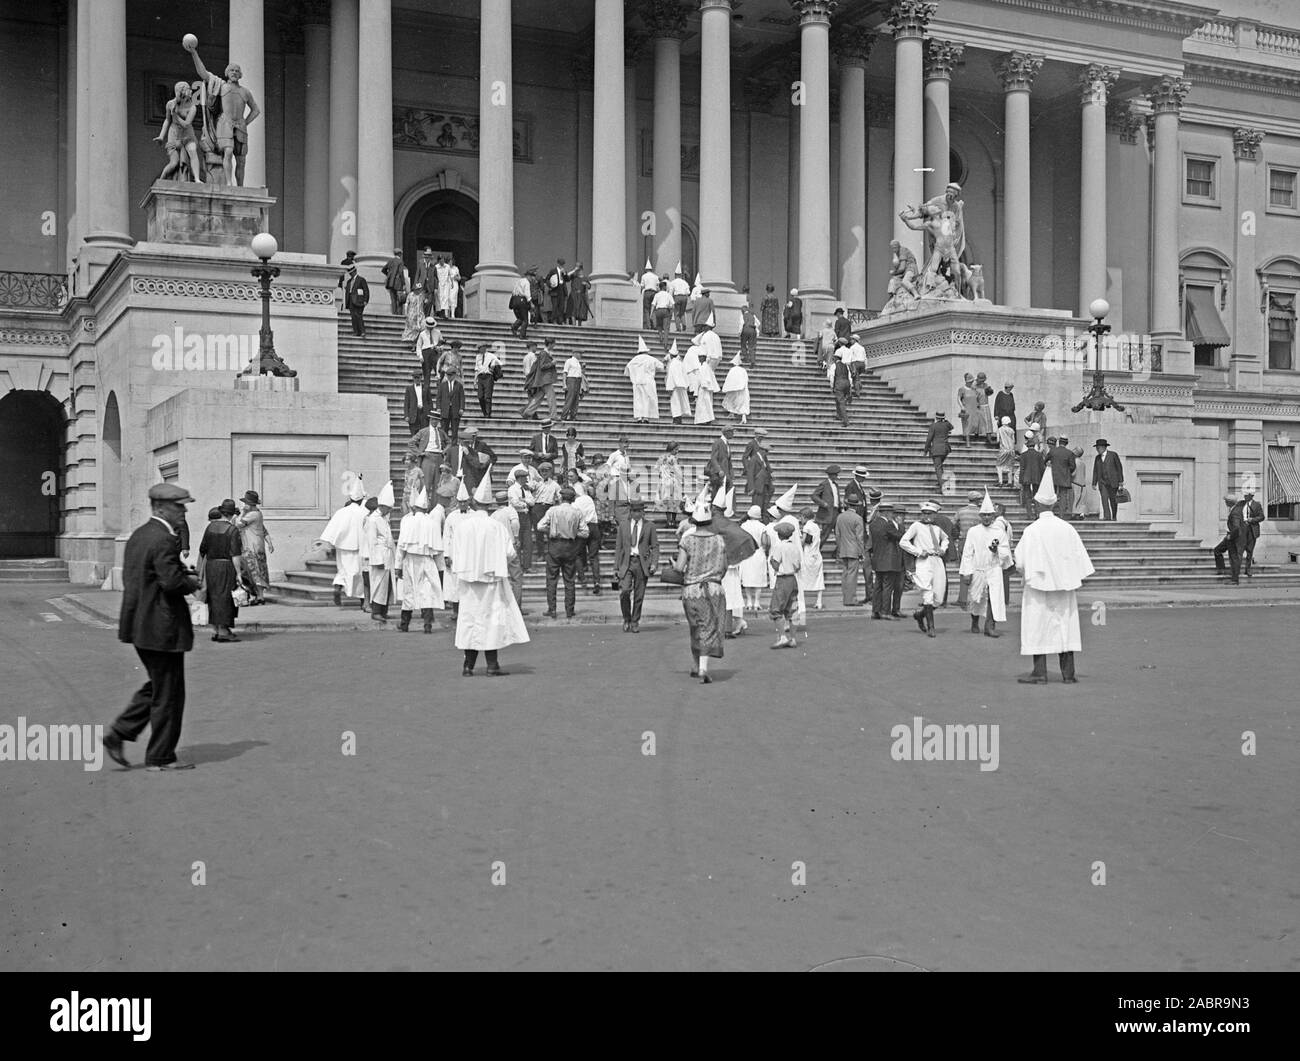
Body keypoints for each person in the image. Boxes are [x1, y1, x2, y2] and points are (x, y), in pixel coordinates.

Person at [102, 483, 203, 771]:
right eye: (178, 506)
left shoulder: (140, 535)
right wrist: (191, 582)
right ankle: (161, 756)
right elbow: (170, 582)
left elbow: (151, 576)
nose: (183, 511)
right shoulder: (163, 539)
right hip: (161, 626)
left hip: (140, 624)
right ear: (159, 507)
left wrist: (179, 573)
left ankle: (119, 733)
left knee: (159, 686)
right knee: (169, 694)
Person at [1015, 477, 1095, 684]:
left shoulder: (1032, 530)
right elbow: (1081, 559)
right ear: (1054, 504)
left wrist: (1026, 573)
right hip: (1064, 587)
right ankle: (1068, 675)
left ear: (1037, 504)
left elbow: (1020, 561)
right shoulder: (1067, 529)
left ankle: (1040, 673)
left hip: (1038, 587)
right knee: (1065, 626)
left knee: (1037, 625)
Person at [450, 477, 529, 676]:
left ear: (474, 504)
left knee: (470, 621)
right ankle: (492, 665)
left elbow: (454, 552)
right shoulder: (496, 526)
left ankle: (468, 665)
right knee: (491, 621)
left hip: (469, 581)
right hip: (491, 580)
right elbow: (510, 553)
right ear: (489, 505)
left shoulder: (463, 527)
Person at [186, 38, 260, 187]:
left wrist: (245, 122)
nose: (234, 72)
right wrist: (194, 53)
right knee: (227, 151)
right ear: (227, 73)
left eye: (237, 71)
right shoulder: (221, 85)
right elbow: (203, 73)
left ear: (240, 75)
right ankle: (228, 183)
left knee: (241, 159)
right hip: (225, 123)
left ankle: (240, 186)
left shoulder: (245, 92)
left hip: (240, 126)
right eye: (232, 70)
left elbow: (256, 110)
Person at [672, 498, 729, 682]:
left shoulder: (687, 540)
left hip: (691, 591)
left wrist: (674, 564)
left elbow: (680, 568)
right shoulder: (719, 541)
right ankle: (703, 668)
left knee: (695, 628)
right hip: (713, 589)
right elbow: (725, 566)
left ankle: (697, 665)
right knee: (708, 627)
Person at [959, 492, 1010, 638]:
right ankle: (975, 621)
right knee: (977, 597)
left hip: (993, 568)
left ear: (993, 516)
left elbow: (1005, 551)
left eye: (989, 515)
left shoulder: (999, 531)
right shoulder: (973, 531)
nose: (987, 518)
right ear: (980, 516)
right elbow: (968, 552)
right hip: (978, 568)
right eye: (984, 515)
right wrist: (967, 572)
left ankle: (990, 626)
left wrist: (997, 550)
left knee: (994, 597)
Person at [537, 484, 589, 619]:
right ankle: (569, 610)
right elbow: (585, 532)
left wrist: (552, 530)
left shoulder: (553, 510)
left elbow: (540, 526)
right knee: (569, 580)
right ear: (572, 499)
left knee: (551, 579)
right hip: (570, 547)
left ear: (561, 498)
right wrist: (572, 532)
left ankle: (552, 609)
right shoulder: (577, 512)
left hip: (554, 545)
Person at [318, 474, 368, 608]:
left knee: (343, 570)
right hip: (358, 547)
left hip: (343, 547)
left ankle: (338, 586)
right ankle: (363, 601)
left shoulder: (342, 511)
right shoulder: (364, 513)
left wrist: (334, 544)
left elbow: (334, 529)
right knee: (358, 573)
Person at [900, 501, 949, 636]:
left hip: (937, 561)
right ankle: (931, 627)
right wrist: (918, 551)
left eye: (930, 514)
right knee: (927, 593)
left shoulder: (937, 529)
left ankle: (920, 615)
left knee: (938, 598)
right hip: (923, 561)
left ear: (935, 515)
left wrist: (943, 549)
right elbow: (903, 542)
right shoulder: (916, 526)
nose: (927, 516)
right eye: (924, 513)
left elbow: (946, 539)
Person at [199, 499, 245, 641]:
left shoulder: (210, 528)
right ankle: (224, 631)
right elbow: (235, 555)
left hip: (211, 565)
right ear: (231, 514)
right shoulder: (232, 530)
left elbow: (202, 549)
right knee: (225, 598)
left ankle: (216, 629)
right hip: (226, 566)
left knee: (213, 597)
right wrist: (239, 573)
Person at [614, 499, 659, 633]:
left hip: (641, 563)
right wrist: (616, 567)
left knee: (639, 595)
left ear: (643, 512)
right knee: (625, 591)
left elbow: (655, 546)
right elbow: (619, 547)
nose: (636, 514)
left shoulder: (649, 526)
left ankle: (635, 621)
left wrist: (654, 563)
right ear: (630, 512)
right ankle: (626, 618)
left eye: (639, 511)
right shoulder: (623, 525)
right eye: (634, 511)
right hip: (626, 562)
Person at [154, 80, 204, 184]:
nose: (190, 91)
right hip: (174, 134)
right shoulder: (170, 104)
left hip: (187, 134)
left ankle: (197, 178)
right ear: (181, 92)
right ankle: (160, 181)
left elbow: (186, 124)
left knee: (193, 152)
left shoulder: (192, 107)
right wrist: (161, 136)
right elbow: (167, 120)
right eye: (187, 89)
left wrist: (175, 116)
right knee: (174, 164)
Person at [766, 522, 802, 648]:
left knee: (776, 609)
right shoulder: (795, 547)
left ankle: (782, 636)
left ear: (779, 535)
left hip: (783, 579)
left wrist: (771, 562)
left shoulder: (779, 547)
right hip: (793, 579)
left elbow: (775, 563)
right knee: (792, 608)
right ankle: (792, 638)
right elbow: (798, 566)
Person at [362, 489, 395, 622]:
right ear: (382, 507)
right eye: (388, 508)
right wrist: (377, 559)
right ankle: (376, 611)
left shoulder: (382, 519)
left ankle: (383, 610)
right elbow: (372, 542)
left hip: (387, 555)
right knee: (379, 585)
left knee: (388, 585)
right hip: (379, 556)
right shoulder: (372, 520)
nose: (389, 511)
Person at [234, 490, 271, 604]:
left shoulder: (252, 514)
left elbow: (238, 525)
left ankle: (259, 596)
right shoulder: (258, 513)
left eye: (245, 503)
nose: (244, 506)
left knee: (254, 570)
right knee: (257, 569)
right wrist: (270, 543)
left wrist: (238, 515)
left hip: (252, 546)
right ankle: (258, 595)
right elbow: (263, 530)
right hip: (256, 545)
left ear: (249, 504)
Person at [491, 489, 525, 610]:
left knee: (501, 576)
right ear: (507, 501)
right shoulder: (511, 510)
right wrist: (516, 537)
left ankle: (502, 606)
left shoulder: (494, 515)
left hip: (498, 548)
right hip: (510, 545)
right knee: (516, 577)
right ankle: (516, 606)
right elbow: (515, 524)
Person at [868, 502, 903, 619]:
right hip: (889, 560)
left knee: (878, 586)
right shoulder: (888, 525)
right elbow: (899, 536)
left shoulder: (873, 524)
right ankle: (885, 611)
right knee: (887, 586)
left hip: (877, 559)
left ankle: (875, 611)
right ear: (887, 513)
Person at [572, 473, 602, 595]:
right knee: (594, 556)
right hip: (594, 527)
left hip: (583, 527)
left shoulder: (575, 503)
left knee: (577, 554)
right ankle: (596, 581)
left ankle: (583, 578)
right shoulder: (589, 499)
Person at [445, 425, 496, 494]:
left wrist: (469, 455)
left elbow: (479, 463)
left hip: (471, 477)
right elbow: (447, 463)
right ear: (460, 440)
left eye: (469, 441)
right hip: (455, 476)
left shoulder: (476, 449)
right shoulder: (452, 450)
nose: (468, 443)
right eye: (466, 442)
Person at [834, 500, 866, 607]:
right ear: (856, 506)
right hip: (854, 550)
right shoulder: (858, 518)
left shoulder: (840, 517)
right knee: (852, 575)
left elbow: (837, 535)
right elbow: (859, 537)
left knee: (845, 574)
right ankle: (851, 599)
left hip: (844, 548)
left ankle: (846, 597)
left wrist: (839, 548)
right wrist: (861, 552)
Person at [739, 505, 770, 612]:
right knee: (758, 578)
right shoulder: (762, 526)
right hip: (758, 552)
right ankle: (756, 602)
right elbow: (764, 541)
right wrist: (765, 550)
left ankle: (748, 602)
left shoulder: (743, 525)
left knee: (747, 578)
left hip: (747, 552)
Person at [521, 338, 558, 420]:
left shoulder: (544, 353)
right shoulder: (544, 353)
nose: (554, 345)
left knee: (538, 398)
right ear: (550, 344)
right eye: (554, 344)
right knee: (551, 398)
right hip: (545, 380)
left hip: (543, 380)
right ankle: (553, 415)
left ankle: (527, 412)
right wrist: (552, 363)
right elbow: (542, 366)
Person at [625, 335, 660, 422]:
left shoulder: (634, 360)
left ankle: (639, 417)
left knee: (638, 399)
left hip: (637, 382)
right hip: (648, 381)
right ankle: (646, 417)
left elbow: (627, 371)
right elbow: (661, 366)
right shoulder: (651, 359)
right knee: (647, 399)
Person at [507, 467, 536, 572]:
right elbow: (515, 503)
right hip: (516, 516)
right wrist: (525, 503)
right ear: (519, 478)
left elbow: (532, 502)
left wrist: (523, 500)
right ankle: (518, 566)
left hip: (526, 516)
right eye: (524, 477)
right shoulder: (512, 489)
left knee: (528, 542)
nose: (526, 480)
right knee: (517, 541)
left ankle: (527, 566)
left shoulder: (526, 489)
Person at [691, 329, 722, 425]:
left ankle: (704, 420)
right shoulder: (707, 368)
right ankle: (706, 419)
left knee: (703, 405)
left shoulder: (702, 368)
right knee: (706, 405)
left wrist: (696, 391)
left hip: (703, 388)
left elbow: (699, 380)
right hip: (707, 389)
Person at [1213, 494, 1243, 584]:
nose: (1225, 503)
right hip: (1230, 536)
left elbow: (1236, 527)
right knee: (1217, 550)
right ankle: (1221, 569)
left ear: (1230, 502)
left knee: (1233, 558)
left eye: (1226, 501)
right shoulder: (1234, 509)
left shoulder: (1235, 512)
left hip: (1233, 537)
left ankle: (1235, 579)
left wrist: (1231, 536)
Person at [1092, 438, 1125, 521]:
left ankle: (1114, 516)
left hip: (1113, 482)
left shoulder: (1113, 455)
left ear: (1104, 447)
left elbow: (1119, 468)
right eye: (1097, 448)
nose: (1097, 449)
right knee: (1104, 499)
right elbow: (1095, 470)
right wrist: (1094, 483)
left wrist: (1121, 481)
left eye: (1098, 448)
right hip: (1102, 483)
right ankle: (1107, 516)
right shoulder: (1097, 458)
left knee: (1113, 500)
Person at [743, 429, 773, 516]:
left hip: (763, 477)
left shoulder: (761, 448)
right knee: (756, 504)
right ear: (756, 435)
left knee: (765, 500)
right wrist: (747, 468)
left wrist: (770, 472)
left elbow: (766, 462)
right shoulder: (751, 444)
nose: (761, 438)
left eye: (762, 437)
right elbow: (744, 457)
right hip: (756, 473)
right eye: (760, 437)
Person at [811, 464, 842, 547]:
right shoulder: (824, 484)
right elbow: (814, 496)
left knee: (840, 534)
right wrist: (823, 503)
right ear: (831, 475)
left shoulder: (836, 485)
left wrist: (840, 505)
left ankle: (838, 553)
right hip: (828, 513)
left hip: (836, 512)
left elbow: (836, 498)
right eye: (835, 474)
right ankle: (816, 550)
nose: (836, 476)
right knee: (825, 534)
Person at [655, 442, 683, 528]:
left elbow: (656, 467)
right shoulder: (674, 458)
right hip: (674, 482)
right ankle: (673, 521)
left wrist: (662, 474)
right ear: (671, 449)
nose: (677, 451)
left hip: (664, 482)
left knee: (666, 501)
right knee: (675, 501)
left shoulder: (662, 457)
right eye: (676, 449)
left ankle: (668, 521)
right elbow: (678, 471)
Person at [663, 340, 692, 423]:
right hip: (682, 385)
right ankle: (679, 418)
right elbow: (685, 374)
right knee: (681, 401)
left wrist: (669, 387)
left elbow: (671, 376)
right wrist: (687, 384)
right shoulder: (681, 363)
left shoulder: (672, 364)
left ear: (671, 356)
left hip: (675, 386)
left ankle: (676, 418)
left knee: (675, 402)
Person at [340, 257, 370, 337]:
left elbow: (366, 290)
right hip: (351, 301)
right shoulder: (349, 281)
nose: (350, 274)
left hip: (359, 301)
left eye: (351, 273)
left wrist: (365, 300)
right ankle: (356, 331)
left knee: (359, 316)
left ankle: (362, 331)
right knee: (353, 317)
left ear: (355, 272)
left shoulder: (361, 279)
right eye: (350, 273)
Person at [1047, 436, 1077, 517]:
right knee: (1063, 496)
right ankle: (1061, 515)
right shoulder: (1069, 453)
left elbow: (1045, 461)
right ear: (1066, 443)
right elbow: (1073, 466)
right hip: (1064, 476)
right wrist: (1067, 471)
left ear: (1059, 442)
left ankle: (1050, 512)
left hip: (1053, 476)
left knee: (1052, 494)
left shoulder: (1053, 451)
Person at [923, 411, 953, 489]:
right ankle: (940, 481)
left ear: (936, 418)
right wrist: (945, 420)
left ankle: (942, 486)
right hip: (945, 449)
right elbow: (951, 427)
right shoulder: (946, 425)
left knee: (938, 468)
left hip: (936, 450)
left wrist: (926, 450)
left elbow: (929, 439)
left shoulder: (933, 426)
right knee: (940, 466)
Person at [437, 364, 466, 442]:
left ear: (454, 375)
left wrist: (462, 408)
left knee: (454, 430)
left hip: (455, 410)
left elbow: (462, 397)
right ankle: (443, 445)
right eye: (447, 375)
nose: (449, 377)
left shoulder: (459, 385)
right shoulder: (442, 385)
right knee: (444, 430)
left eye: (450, 375)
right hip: (444, 410)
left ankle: (453, 446)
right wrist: (438, 408)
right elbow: (439, 397)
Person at [1019, 429, 1045, 512]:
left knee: (1028, 496)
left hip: (1026, 477)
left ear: (1027, 446)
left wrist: (1021, 479)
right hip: (1037, 477)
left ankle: (1029, 513)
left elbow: (1022, 468)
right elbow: (1042, 468)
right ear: (1034, 446)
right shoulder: (1039, 455)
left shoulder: (1023, 455)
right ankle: (1037, 512)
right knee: (1036, 495)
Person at [705, 426, 736, 497]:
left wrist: (731, 474)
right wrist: (719, 470)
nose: (733, 434)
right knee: (717, 494)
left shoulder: (727, 443)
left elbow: (728, 460)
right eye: (732, 432)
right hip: (719, 474)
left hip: (726, 473)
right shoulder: (718, 443)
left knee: (728, 493)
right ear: (726, 433)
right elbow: (713, 458)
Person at [721, 353, 751, 423]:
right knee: (742, 402)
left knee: (731, 400)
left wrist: (728, 387)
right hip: (742, 388)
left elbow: (729, 379)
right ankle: (743, 417)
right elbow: (746, 379)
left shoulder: (732, 370)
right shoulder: (743, 370)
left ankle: (732, 413)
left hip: (733, 388)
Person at [1240, 489, 1265, 575]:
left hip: (1252, 530)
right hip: (1242, 529)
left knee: (1250, 550)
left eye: (1246, 495)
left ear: (1251, 496)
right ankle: (1237, 569)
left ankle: (1248, 569)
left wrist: (1252, 520)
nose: (1244, 496)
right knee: (1239, 549)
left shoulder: (1257, 505)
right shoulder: (1241, 504)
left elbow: (1262, 517)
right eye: (1244, 495)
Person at [561, 347, 587, 421]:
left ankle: (573, 415)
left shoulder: (578, 363)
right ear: (575, 353)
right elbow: (565, 373)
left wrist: (583, 369)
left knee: (576, 400)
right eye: (579, 353)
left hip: (577, 380)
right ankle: (564, 416)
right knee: (569, 399)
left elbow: (580, 374)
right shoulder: (569, 361)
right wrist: (564, 384)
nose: (581, 355)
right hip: (571, 380)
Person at [382, 248, 407, 314]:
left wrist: (388, 275)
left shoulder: (390, 261)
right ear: (399, 254)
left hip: (390, 283)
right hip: (398, 283)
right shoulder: (400, 261)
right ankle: (399, 314)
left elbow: (383, 269)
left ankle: (394, 313)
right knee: (400, 299)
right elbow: (401, 273)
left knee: (393, 299)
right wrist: (404, 283)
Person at [403, 370, 428, 435]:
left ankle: (422, 445)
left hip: (423, 412)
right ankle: (414, 445)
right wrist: (406, 415)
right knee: (414, 433)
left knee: (424, 433)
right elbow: (406, 403)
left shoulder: (426, 388)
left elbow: (429, 402)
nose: (417, 379)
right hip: (413, 414)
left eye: (418, 377)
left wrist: (429, 414)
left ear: (421, 377)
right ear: (413, 378)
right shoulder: (409, 389)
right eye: (415, 378)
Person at [830, 355, 852, 427]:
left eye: (833, 358)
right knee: (838, 399)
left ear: (835, 359)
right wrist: (850, 386)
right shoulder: (846, 366)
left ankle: (846, 421)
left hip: (839, 383)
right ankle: (838, 415)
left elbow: (832, 376)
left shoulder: (834, 366)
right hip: (847, 383)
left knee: (841, 402)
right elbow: (849, 377)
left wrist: (832, 386)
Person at [957, 373, 979, 444]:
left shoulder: (974, 389)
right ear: (966, 381)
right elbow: (958, 398)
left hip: (974, 409)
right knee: (967, 425)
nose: (971, 383)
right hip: (966, 409)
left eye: (972, 381)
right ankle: (967, 441)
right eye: (970, 382)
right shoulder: (962, 389)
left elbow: (977, 398)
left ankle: (974, 437)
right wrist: (962, 406)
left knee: (975, 424)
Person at [509, 273, 532, 338]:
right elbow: (527, 294)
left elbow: (513, 291)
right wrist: (531, 303)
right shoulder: (527, 282)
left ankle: (514, 326)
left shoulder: (519, 281)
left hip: (515, 300)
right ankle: (522, 335)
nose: (532, 279)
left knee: (520, 318)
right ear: (529, 276)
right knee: (525, 320)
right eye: (532, 277)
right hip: (522, 301)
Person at [995, 416, 1017, 485]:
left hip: (1003, 450)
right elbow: (1014, 441)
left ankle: (1000, 481)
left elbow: (998, 440)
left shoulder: (999, 430)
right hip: (1011, 450)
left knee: (999, 465)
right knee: (1010, 465)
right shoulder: (1011, 430)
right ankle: (1010, 481)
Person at [669, 266, 691, 331]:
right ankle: (684, 324)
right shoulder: (685, 282)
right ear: (681, 275)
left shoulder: (673, 282)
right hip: (684, 297)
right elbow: (688, 292)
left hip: (677, 297)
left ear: (675, 275)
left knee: (677, 313)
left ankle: (678, 328)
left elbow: (670, 293)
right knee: (682, 312)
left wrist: (671, 301)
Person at [639, 259, 659, 329]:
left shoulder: (644, 276)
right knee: (653, 309)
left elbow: (642, 286)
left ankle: (648, 326)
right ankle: (655, 324)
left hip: (647, 292)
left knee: (646, 310)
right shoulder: (656, 276)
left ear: (646, 269)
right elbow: (657, 286)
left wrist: (640, 293)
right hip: (654, 293)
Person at [738, 301, 759, 367]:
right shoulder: (752, 315)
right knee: (752, 346)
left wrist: (739, 333)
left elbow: (741, 324)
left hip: (745, 330)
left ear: (742, 311)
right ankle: (752, 361)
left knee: (743, 344)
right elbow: (758, 323)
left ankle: (746, 358)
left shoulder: (742, 316)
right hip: (752, 330)